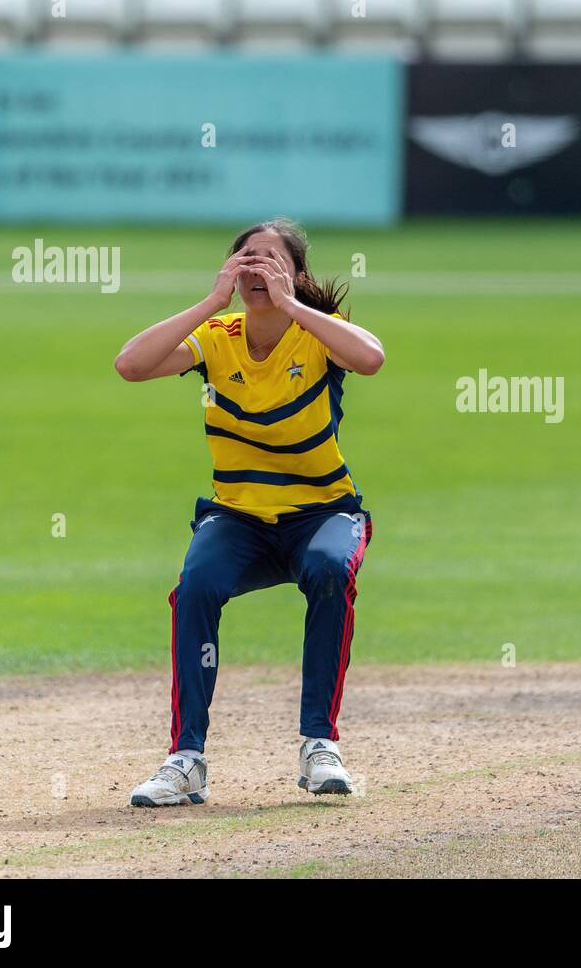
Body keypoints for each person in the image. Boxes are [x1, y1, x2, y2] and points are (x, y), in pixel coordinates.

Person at [114, 218, 385, 804]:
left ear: (296, 273)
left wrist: (294, 305)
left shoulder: (318, 335)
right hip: (237, 518)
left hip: (322, 512)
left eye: (271, 258)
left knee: (329, 572)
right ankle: (186, 759)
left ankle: (320, 745)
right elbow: (130, 365)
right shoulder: (218, 335)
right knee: (194, 589)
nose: (256, 266)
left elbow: (371, 358)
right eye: (245, 257)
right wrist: (211, 302)